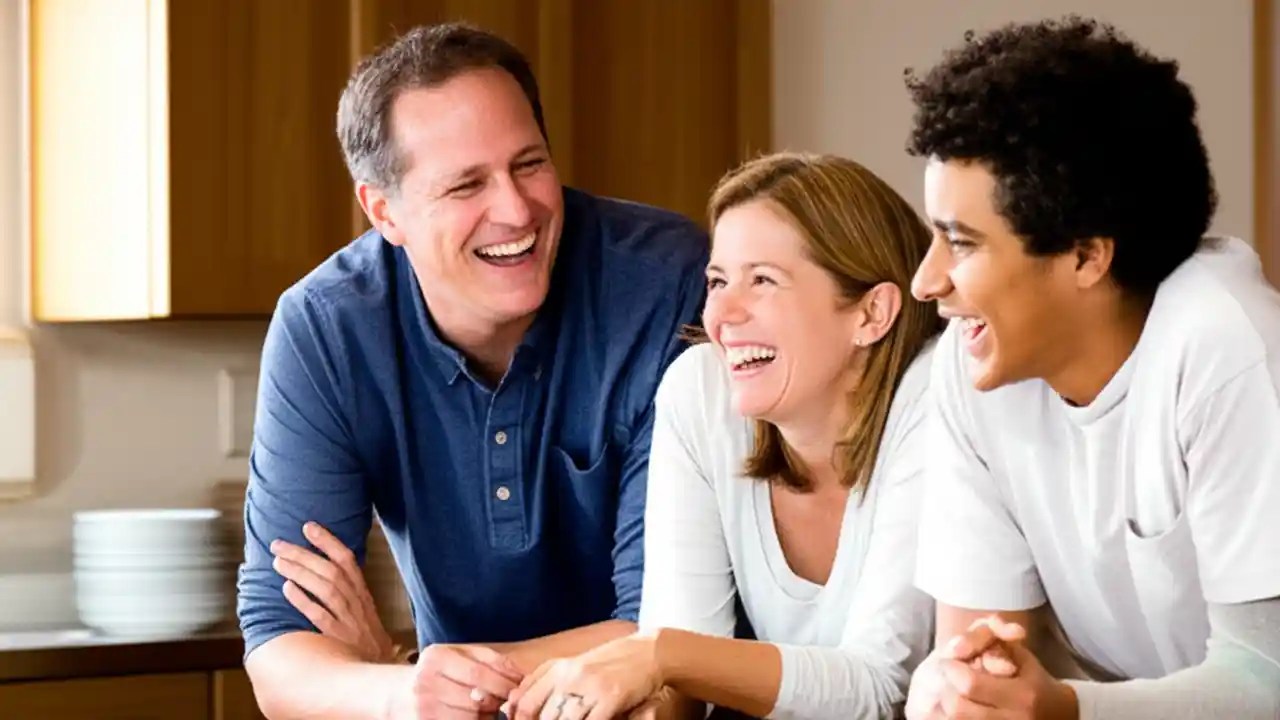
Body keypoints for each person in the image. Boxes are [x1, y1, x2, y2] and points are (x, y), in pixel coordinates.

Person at [237, 22, 708, 719]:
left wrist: (401, 676)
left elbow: (664, 634)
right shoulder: (326, 327)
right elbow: (280, 649)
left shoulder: (668, 281)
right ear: (383, 211)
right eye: (466, 185)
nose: (516, 210)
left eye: (529, 164)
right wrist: (402, 692)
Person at [900, 16, 1280, 720]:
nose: (928, 282)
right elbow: (976, 651)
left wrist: (1067, 708)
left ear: (1085, 256)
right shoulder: (972, 360)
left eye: (959, 242)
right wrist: (956, 689)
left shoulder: (1228, 347)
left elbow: (1267, 675)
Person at [487, 152, 943, 720]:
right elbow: (682, 685)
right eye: (718, 280)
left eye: (763, 281)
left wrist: (660, 654)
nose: (722, 315)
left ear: (872, 313)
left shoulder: (936, 395)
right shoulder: (700, 391)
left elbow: (881, 688)